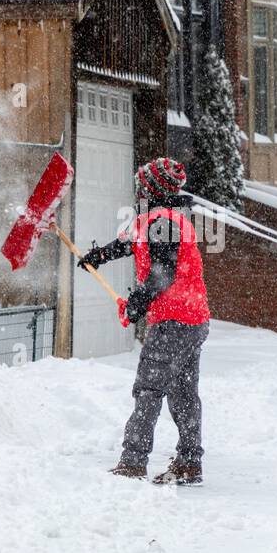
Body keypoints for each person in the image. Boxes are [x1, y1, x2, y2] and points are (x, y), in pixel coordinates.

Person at [78, 157, 210, 485]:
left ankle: (134, 461)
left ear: (151, 187)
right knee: (183, 392)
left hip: (174, 320)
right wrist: (98, 256)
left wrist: (137, 303)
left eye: (141, 183)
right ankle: (190, 462)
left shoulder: (164, 221)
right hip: (193, 318)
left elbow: (162, 272)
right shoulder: (157, 218)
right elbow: (128, 243)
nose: (137, 188)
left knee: (149, 389)